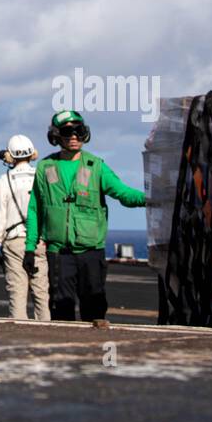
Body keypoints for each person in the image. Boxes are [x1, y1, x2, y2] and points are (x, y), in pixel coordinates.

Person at [23, 110, 146, 321]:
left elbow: (124, 194)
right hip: (59, 253)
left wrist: (154, 198)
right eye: (67, 131)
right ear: (56, 136)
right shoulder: (45, 168)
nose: (73, 136)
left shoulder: (96, 166)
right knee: (61, 309)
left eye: (78, 131)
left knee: (94, 308)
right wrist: (29, 247)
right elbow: (35, 209)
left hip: (91, 253)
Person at [0, 135, 50, 321]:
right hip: (39, 241)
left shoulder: (4, 180)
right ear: (32, 154)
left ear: (10, 156)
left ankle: (21, 333)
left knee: (17, 293)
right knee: (41, 294)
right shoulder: (41, 176)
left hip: (14, 241)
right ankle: (45, 330)